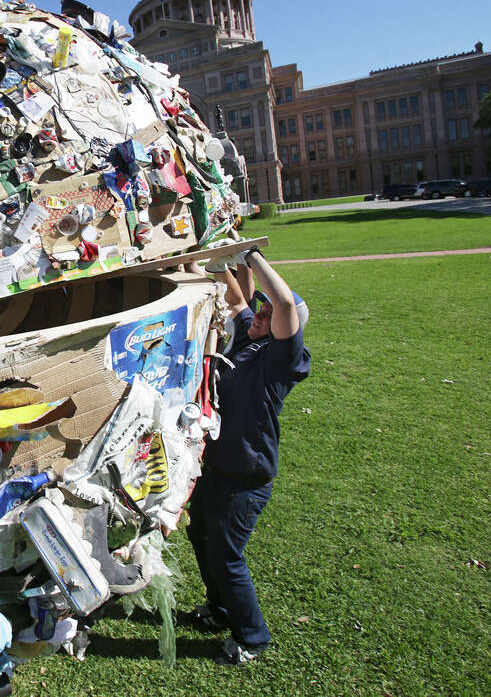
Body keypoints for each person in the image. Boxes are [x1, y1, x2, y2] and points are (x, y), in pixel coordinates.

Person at [185, 243, 311, 665]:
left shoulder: (279, 361)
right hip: (216, 468)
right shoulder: (248, 337)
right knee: (199, 536)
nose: (258, 315)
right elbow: (238, 298)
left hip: (245, 477)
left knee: (226, 555)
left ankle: (252, 637)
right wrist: (226, 259)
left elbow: (286, 305)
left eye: (267, 316)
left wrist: (253, 256)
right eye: (259, 313)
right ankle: (220, 610)